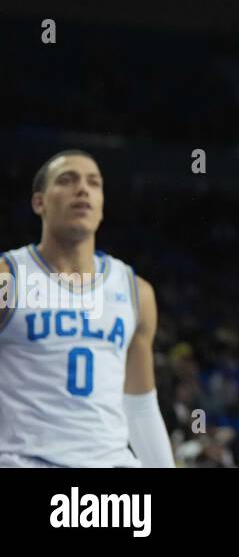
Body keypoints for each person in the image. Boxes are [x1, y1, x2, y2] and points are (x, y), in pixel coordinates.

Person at [0, 150, 173, 468]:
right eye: (67, 180)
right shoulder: (8, 277)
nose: (82, 189)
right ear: (39, 202)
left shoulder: (136, 291)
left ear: (102, 204)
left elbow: (140, 407)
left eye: (94, 183)